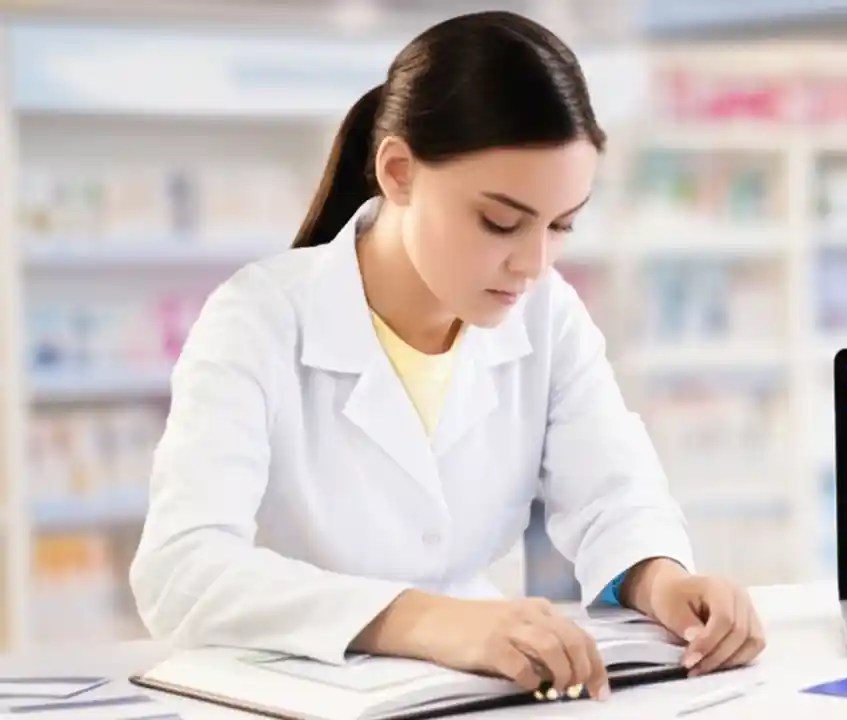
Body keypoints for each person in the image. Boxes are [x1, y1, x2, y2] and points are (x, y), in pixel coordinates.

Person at [129, 10, 765, 703]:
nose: (533, 263)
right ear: (399, 171)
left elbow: (613, 493)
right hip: (299, 695)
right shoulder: (258, 319)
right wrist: (426, 620)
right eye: (500, 221)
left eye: (561, 225)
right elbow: (180, 570)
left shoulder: (549, 316)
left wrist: (663, 579)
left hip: (479, 692)